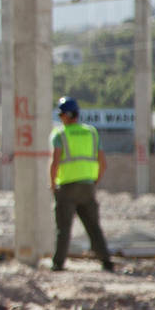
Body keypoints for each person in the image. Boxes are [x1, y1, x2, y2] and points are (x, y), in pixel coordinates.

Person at [50, 97, 114, 272]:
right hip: (88, 187)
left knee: (63, 229)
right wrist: (94, 182)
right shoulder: (92, 132)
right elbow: (103, 162)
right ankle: (106, 261)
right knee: (94, 227)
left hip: (67, 187)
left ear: (67, 115)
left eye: (61, 114)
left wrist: (52, 184)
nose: (60, 118)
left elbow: (55, 163)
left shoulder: (60, 134)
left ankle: (58, 264)